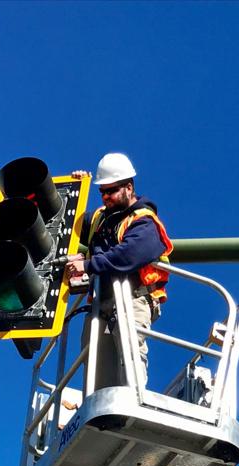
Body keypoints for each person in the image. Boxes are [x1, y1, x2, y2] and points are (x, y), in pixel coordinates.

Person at [67, 153, 173, 390]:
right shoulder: (99, 219)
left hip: (132, 300)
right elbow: (67, 225)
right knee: (95, 371)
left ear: (128, 187)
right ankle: (101, 419)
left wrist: (87, 264)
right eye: (102, 191)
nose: (106, 197)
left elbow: (128, 255)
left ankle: (131, 409)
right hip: (100, 305)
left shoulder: (144, 221)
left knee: (130, 358)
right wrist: (76, 188)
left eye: (111, 190)